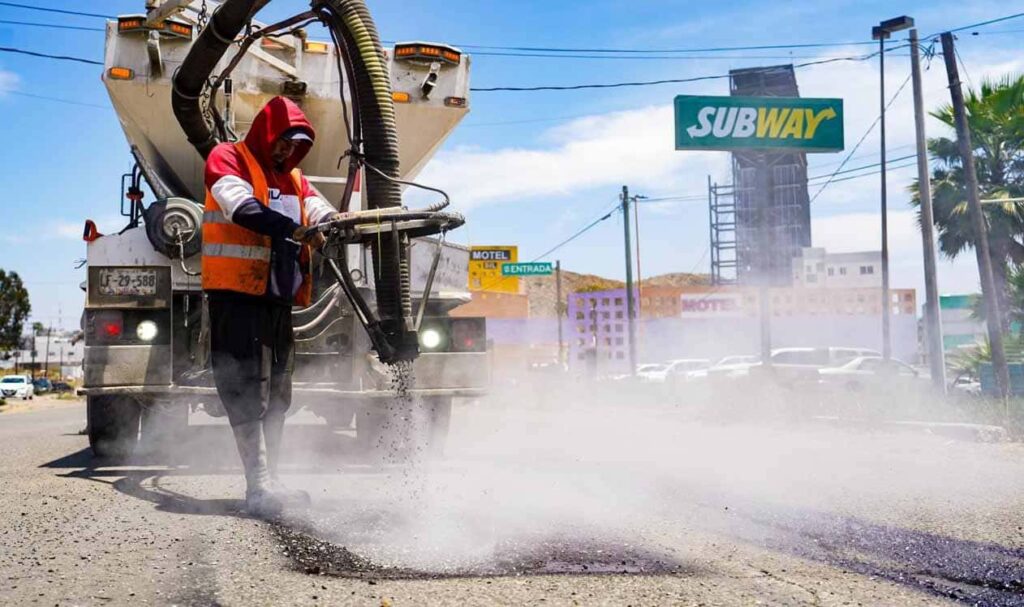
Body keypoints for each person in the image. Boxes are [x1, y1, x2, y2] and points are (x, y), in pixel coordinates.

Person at [202, 96, 339, 517]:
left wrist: (332, 223)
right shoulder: (228, 158)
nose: (286, 151)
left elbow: (317, 207)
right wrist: (294, 230)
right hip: (236, 294)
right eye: (282, 141)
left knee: (278, 390)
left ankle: (272, 479)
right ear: (265, 132)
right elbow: (240, 207)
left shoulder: (294, 178)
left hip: (277, 295)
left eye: (294, 146)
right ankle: (257, 484)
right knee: (247, 387)